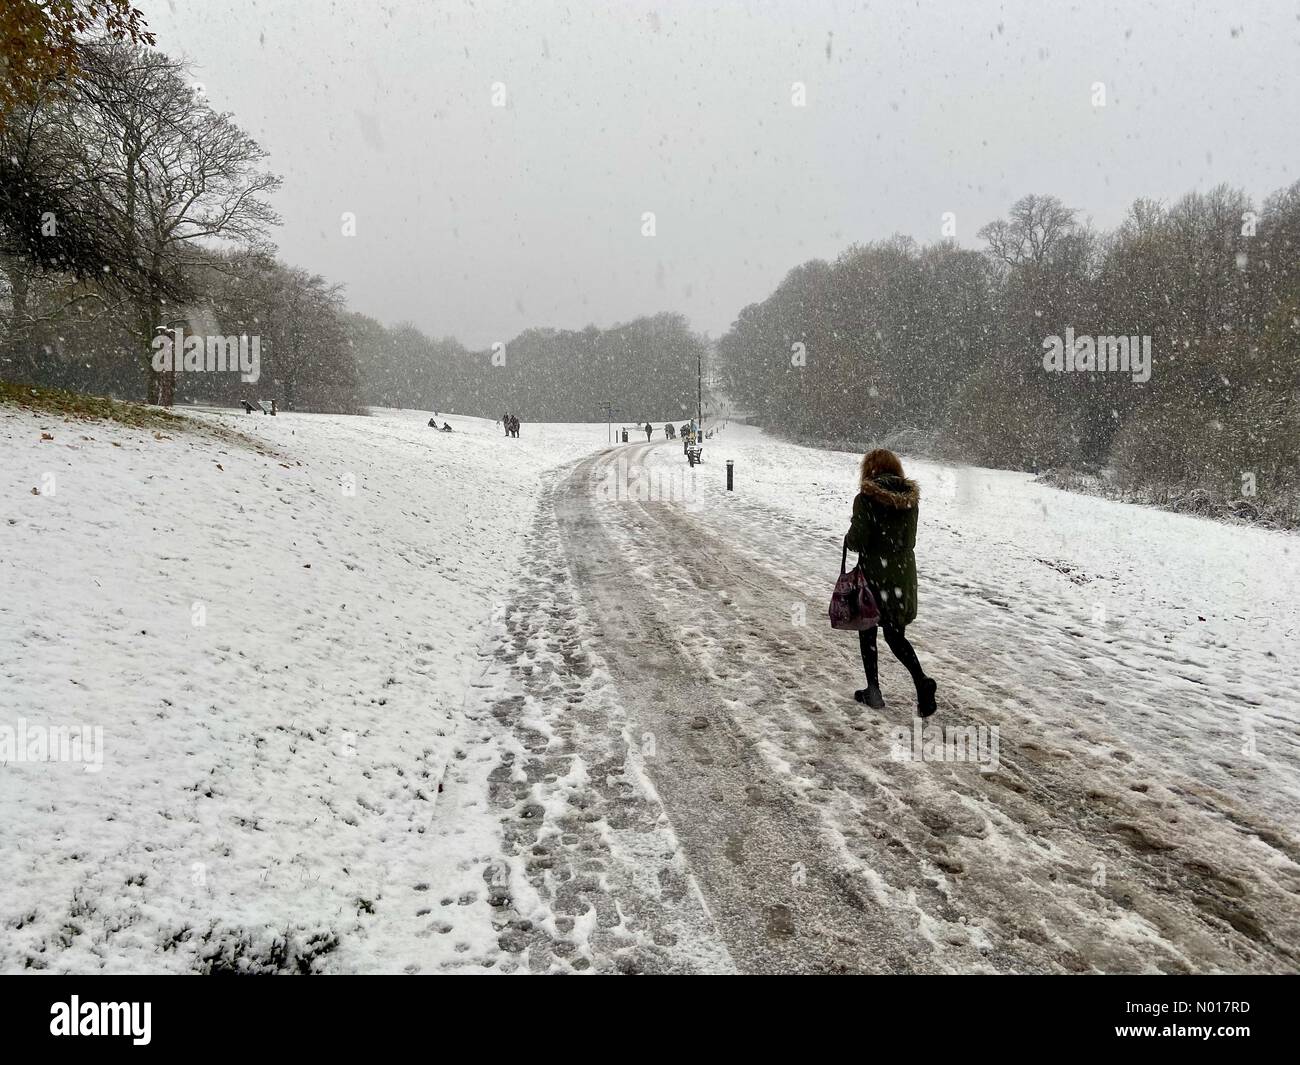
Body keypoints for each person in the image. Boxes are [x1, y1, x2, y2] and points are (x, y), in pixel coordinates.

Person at [843, 448, 937, 717]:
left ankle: (873, 691)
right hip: (902, 576)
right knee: (895, 635)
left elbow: (858, 540)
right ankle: (922, 682)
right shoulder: (910, 502)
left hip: (875, 575)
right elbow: (909, 541)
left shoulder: (866, 500)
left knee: (867, 629)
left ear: (869, 471)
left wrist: (850, 538)